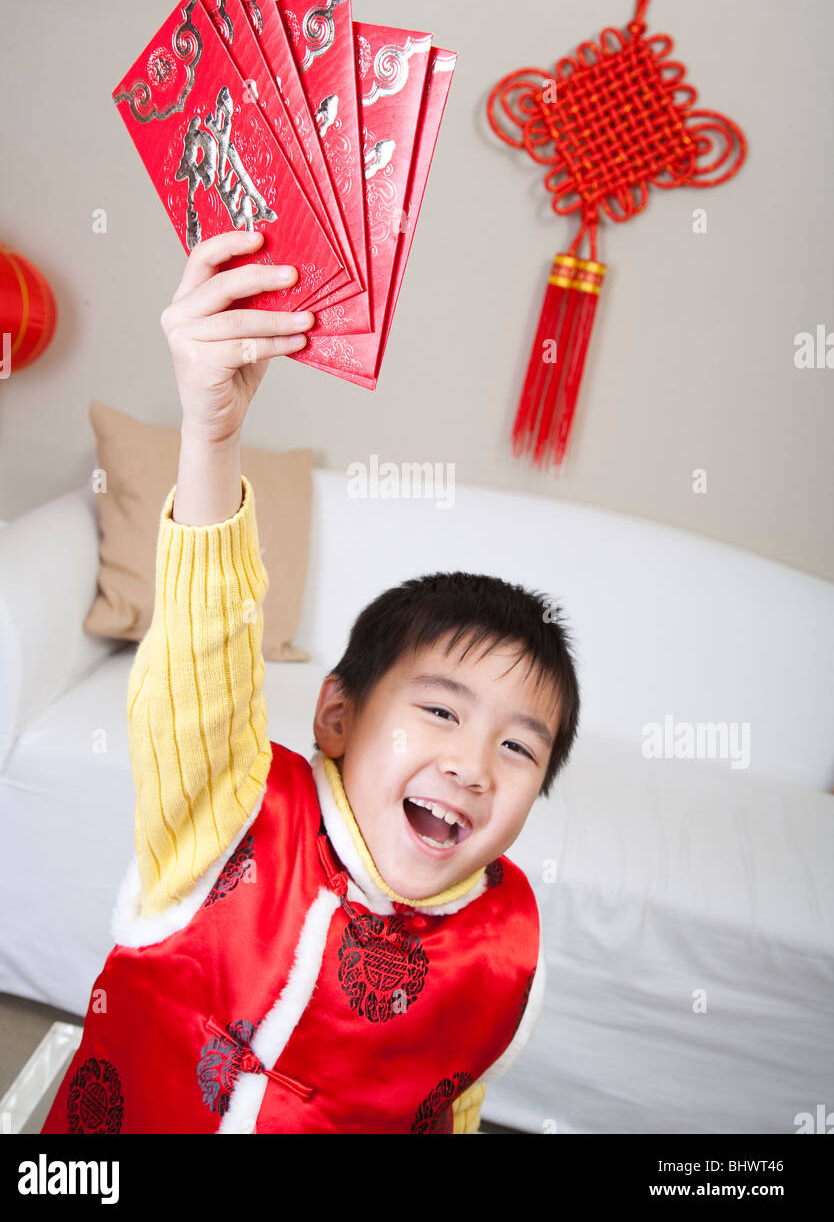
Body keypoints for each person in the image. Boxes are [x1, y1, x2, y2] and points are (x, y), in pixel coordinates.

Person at [41, 229, 581, 1135]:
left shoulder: (506, 954)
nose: (475, 764)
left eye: (519, 746)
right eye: (442, 709)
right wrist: (212, 436)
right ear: (336, 713)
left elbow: (452, 1104)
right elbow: (202, 667)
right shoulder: (231, 813)